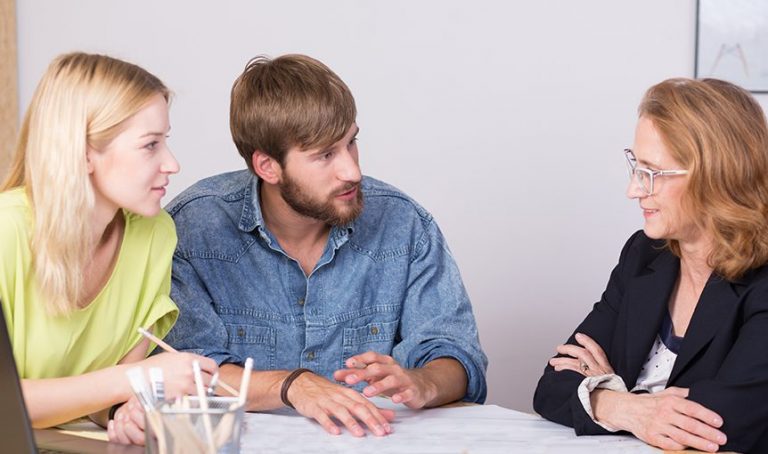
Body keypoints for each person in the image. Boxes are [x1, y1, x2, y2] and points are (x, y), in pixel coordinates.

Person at [160, 54, 488, 437]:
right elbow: (185, 373)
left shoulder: (403, 222)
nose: (353, 171)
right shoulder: (194, 229)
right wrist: (292, 385)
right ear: (268, 167)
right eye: (325, 155)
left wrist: (423, 382)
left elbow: (457, 354)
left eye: (352, 142)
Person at [533, 78, 768, 453]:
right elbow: (552, 383)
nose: (634, 190)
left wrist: (604, 390)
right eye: (636, 167)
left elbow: (724, 423)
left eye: (653, 173)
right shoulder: (645, 253)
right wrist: (623, 407)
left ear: (717, 175)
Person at [0, 52, 217, 444]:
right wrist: (137, 379)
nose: (172, 164)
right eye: (150, 145)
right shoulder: (7, 232)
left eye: (165, 141)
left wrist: (125, 412)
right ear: (83, 153)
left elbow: (105, 395)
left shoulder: (154, 235)